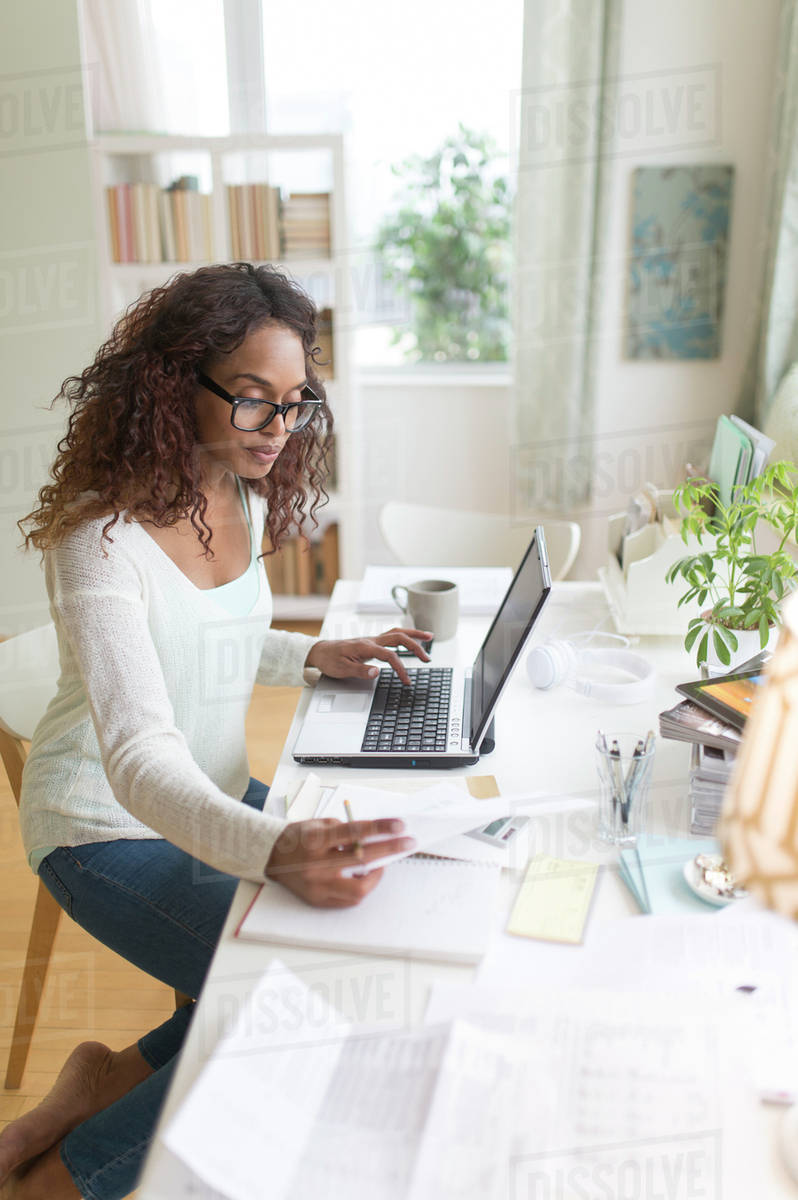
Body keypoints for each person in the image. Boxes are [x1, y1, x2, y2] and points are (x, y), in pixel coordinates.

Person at [0, 262, 429, 1200]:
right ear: (172, 382)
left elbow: (214, 637)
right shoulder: (97, 539)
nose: (278, 430)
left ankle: (108, 1081)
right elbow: (139, 755)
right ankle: (60, 1182)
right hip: (104, 824)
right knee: (309, 997)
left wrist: (314, 655)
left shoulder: (239, 490)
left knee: (354, 943)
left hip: (217, 792)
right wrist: (274, 848)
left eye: (295, 404)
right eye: (250, 401)